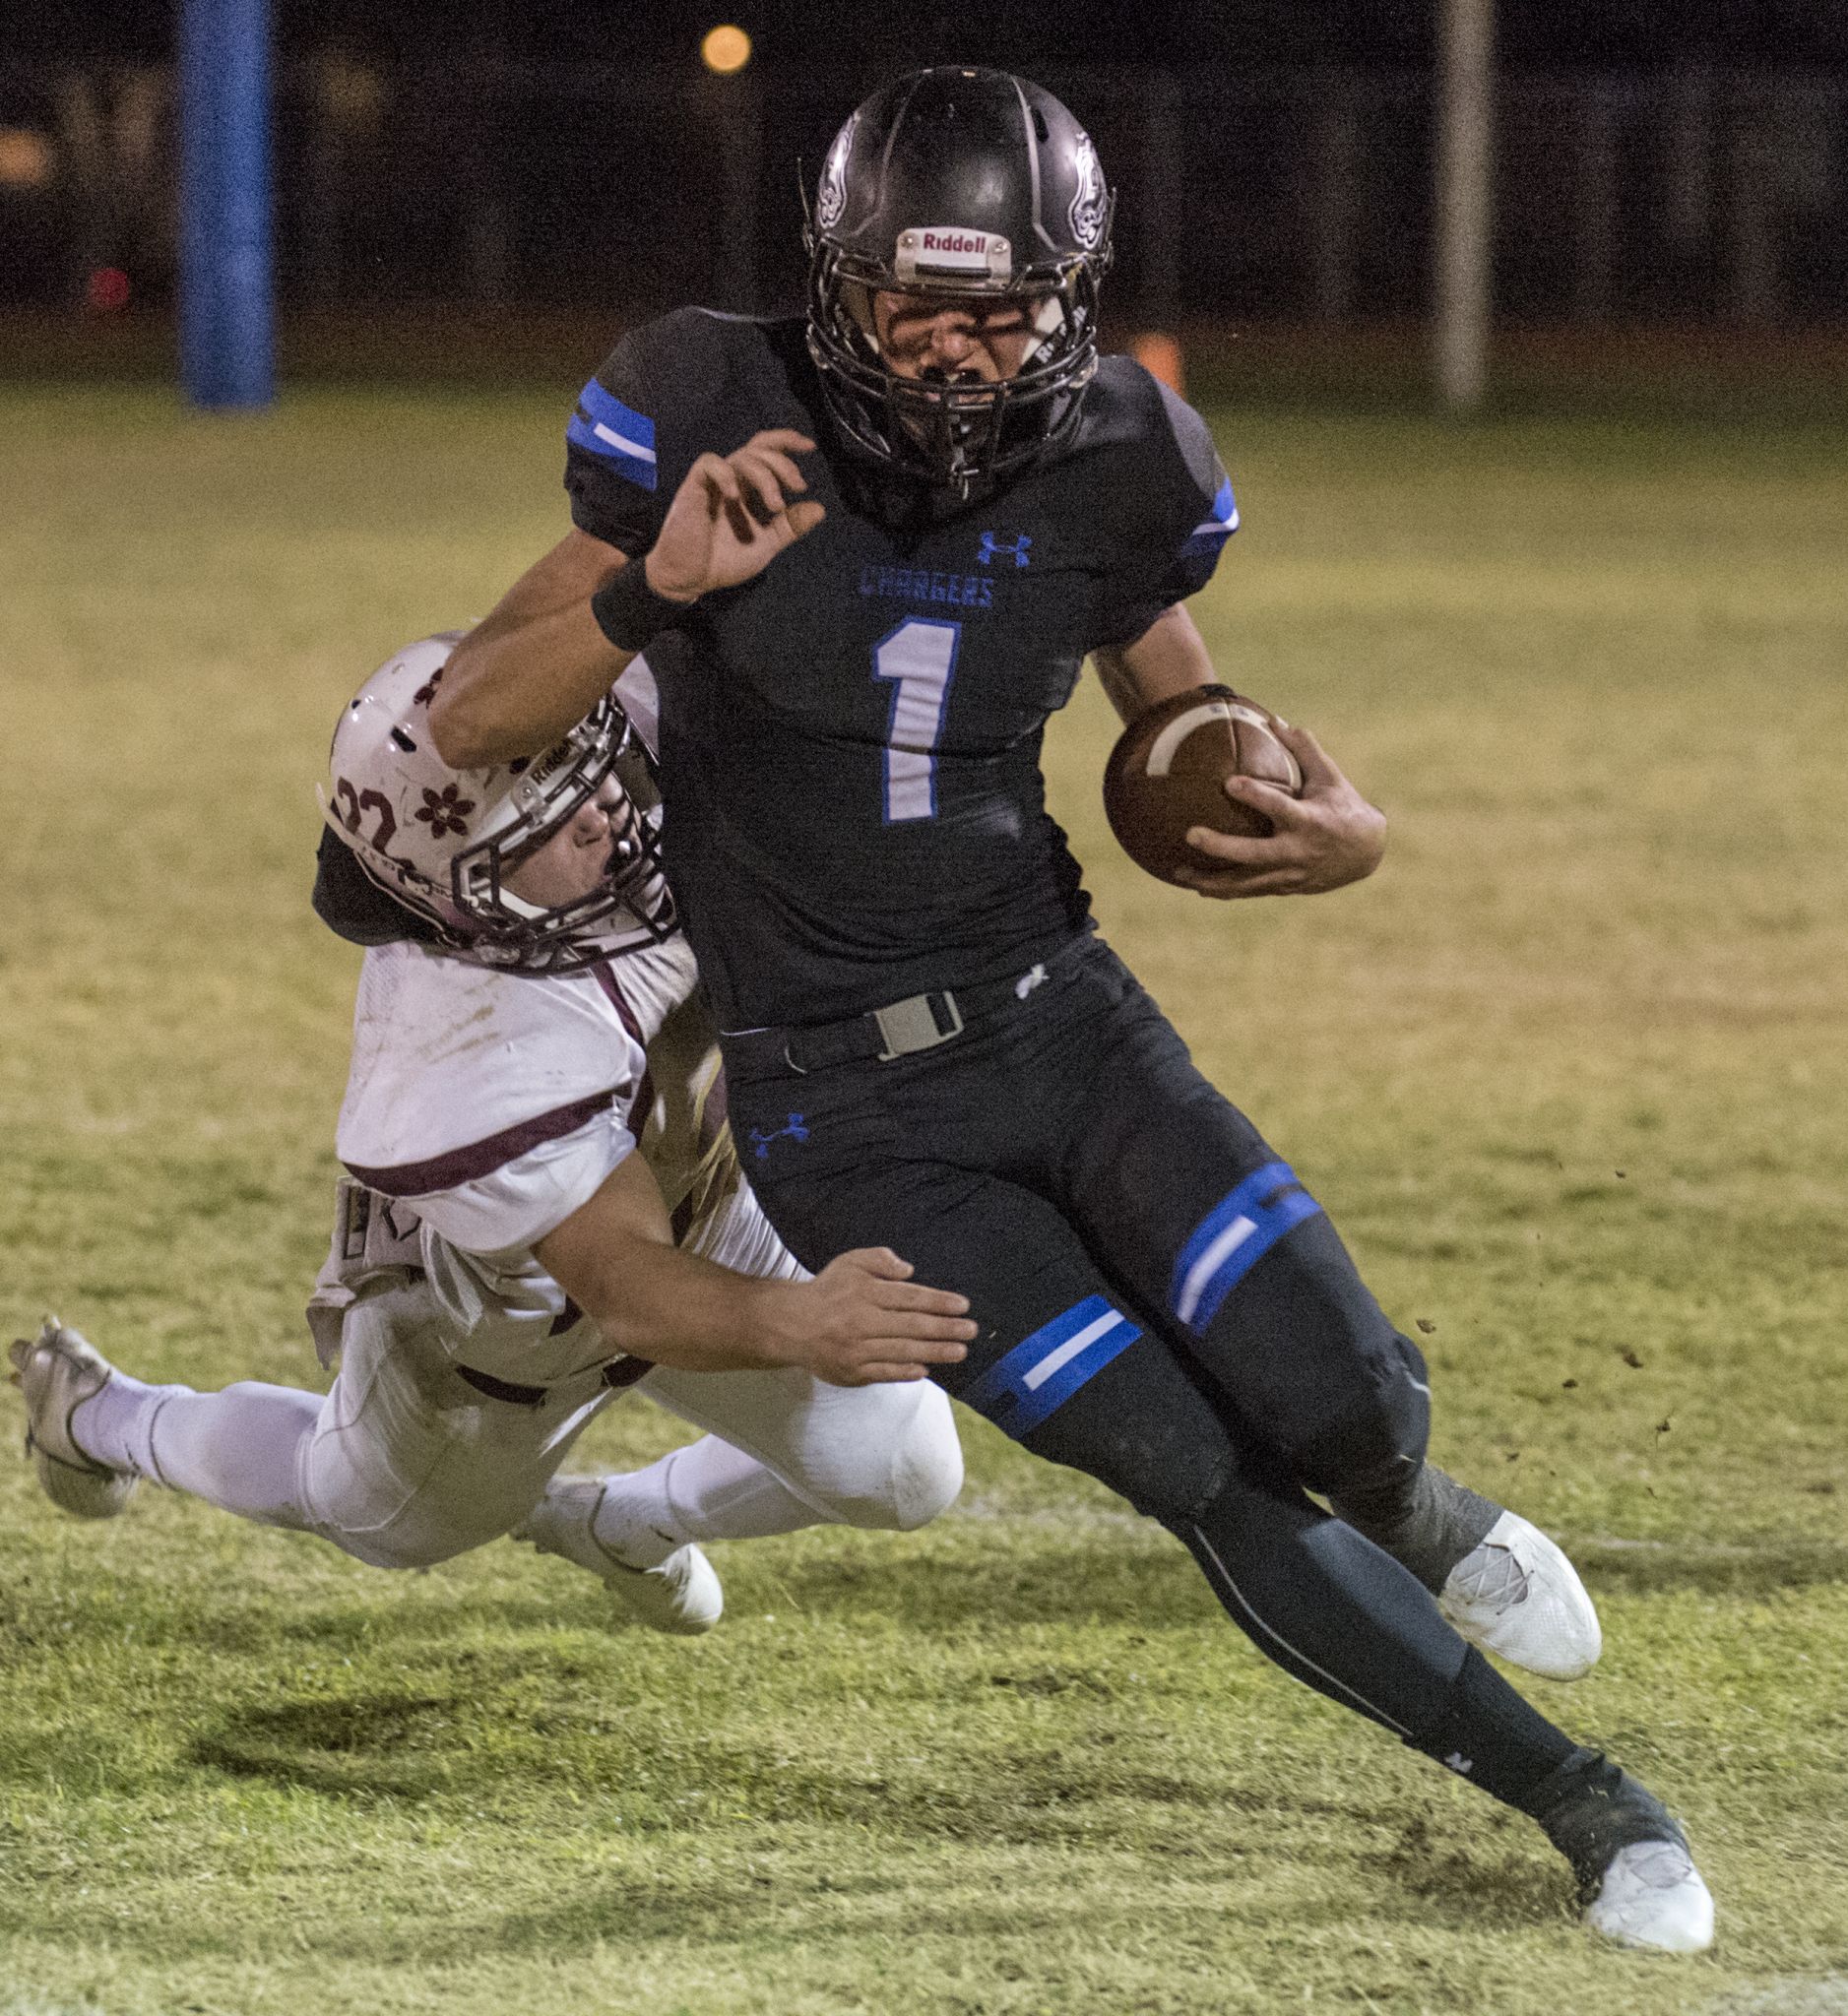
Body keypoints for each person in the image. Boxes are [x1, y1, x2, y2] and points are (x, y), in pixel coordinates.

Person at [421, 70, 1712, 1948]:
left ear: (1072, 298)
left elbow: (1176, 708)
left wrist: (1321, 823)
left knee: (1342, 1398)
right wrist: (647, 584)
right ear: (834, 284)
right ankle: (1590, 1807)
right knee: (1186, 1464)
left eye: (1002, 309)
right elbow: (469, 715)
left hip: (1061, 1016)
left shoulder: (1126, 453)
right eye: (915, 306)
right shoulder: (707, 416)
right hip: (845, 1110)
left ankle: (1417, 1504)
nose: (957, 353)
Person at [11, 634, 975, 1634]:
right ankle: (98, 1414)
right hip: (514, 1318)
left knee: (905, 1472)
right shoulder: (463, 1046)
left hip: (700, 1197)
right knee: (381, 1515)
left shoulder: (615, 762)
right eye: (545, 830)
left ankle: (623, 1522)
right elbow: (622, 1283)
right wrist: (797, 1318)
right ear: (462, 893)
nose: (604, 814)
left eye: (589, 770)